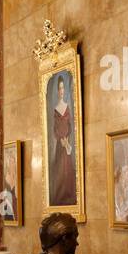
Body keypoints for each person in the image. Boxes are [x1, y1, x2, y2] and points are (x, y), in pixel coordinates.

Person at [49, 74, 76, 206]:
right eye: (59, 88)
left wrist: (67, 139)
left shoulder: (67, 107)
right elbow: (54, 128)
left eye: (63, 88)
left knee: (68, 169)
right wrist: (60, 139)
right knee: (60, 169)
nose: (61, 91)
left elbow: (70, 126)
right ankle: (60, 198)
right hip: (60, 144)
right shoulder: (55, 109)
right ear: (57, 90)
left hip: (67, 142)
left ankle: (69, 197)